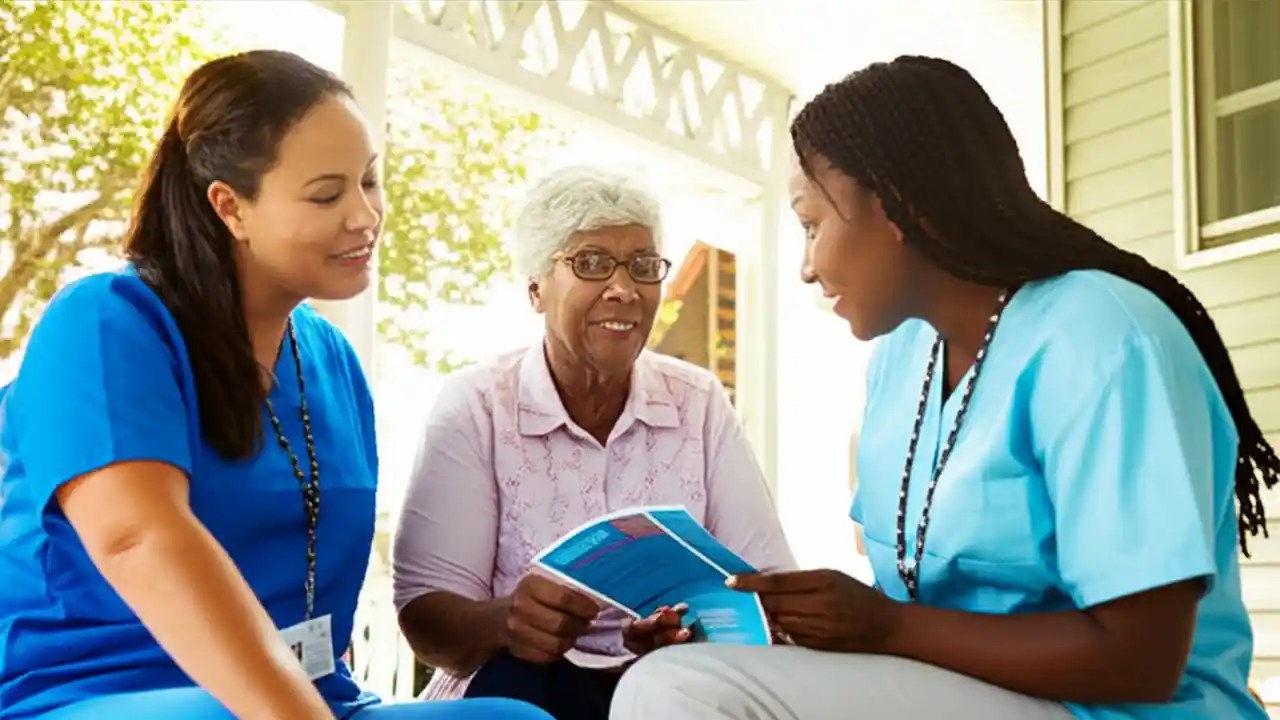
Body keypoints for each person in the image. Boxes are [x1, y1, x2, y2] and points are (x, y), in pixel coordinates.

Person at [609, 55, 1276, 720]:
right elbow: (912, 625)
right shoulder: (903, 357)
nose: (808, 267)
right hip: (978, 697)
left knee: (676, 694)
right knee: (680, 671)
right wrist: (766, 629)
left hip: (1125, 713)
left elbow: (1143, 659)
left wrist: (884, 629)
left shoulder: (1100, 336)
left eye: (813, 224)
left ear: (900, 205)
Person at [0, 50, 550, 720]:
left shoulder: (332, 359)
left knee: (513, 719)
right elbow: (136, 537)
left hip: (310, 696)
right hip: (101, 694)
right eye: (326, 194)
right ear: (230, 206)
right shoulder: (104, 324)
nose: (365, 217)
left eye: (369, 182)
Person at [392, 166, 796, 720]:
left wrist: (689, 630)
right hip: (517, 692)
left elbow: (768, 588)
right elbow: (427, 623)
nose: (624, 288)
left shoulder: (698, 402)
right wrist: (507, 620)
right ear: (536, 288)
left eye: (643, 266)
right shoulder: (478, 405)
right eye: (591, 264)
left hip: (668, 693)